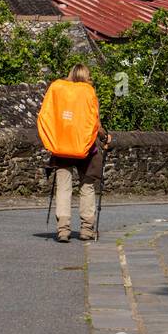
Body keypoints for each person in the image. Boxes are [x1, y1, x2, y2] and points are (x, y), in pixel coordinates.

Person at [49, 64, 111, 243]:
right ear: (87, 76)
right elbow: (95, 123)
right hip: (86, 149)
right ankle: (86, 229)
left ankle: (63, 229)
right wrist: (105, 136)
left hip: (62, 147)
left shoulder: (60, 91)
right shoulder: (88, 92)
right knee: (87, 187)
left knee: (63, 187)